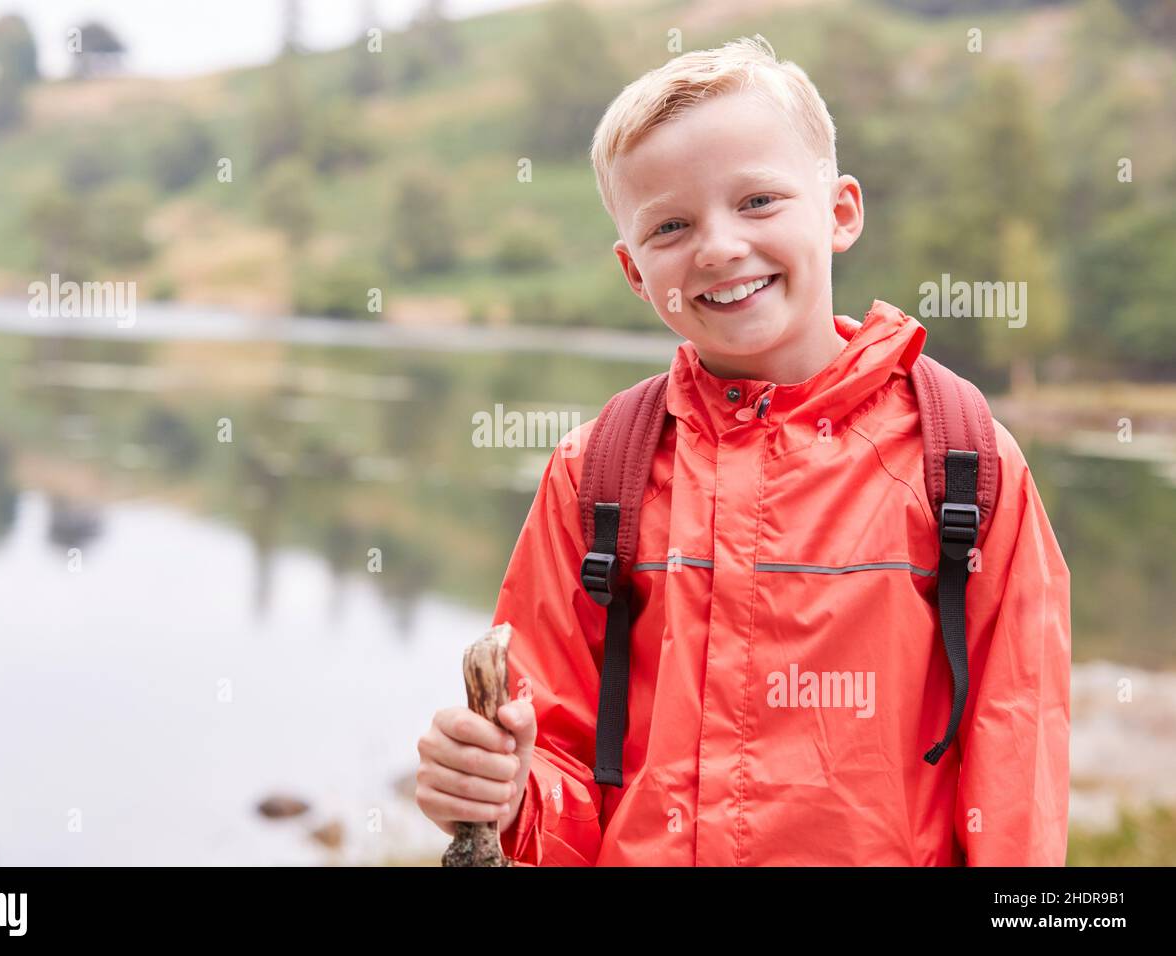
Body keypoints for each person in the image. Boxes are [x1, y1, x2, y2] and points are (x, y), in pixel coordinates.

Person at [416, 34, 1070, 866]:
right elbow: (558, 764)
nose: (718, 247)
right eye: (671, 225)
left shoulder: (966, 463)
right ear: (634, 271)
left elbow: (1019, 774)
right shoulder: (595, 474)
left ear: (840, 212)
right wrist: (505, 794)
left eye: (758, 201)